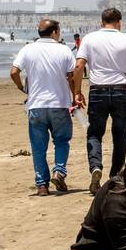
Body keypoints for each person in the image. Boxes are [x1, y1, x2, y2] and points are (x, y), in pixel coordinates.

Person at [75, 8, 126, 195]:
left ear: (102, 22)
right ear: (119, 22)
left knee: (94, 133)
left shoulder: (89, 39)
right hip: (121, 90)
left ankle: (96, 167)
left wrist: (77, 92)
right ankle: (114, 178)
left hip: (97, 90)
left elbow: (78, 66)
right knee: (120, 136)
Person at [10, 18, 80, 195]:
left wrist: (22, 88)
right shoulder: (64, 50)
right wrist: (75, 96)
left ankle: (42, 185)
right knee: (62, 141)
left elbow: (14, 72)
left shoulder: (28, 49)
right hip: (59, 104)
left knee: (38, 147)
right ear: (55, 32)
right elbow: (72, 76)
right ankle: (59, 172)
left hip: (36, 106)